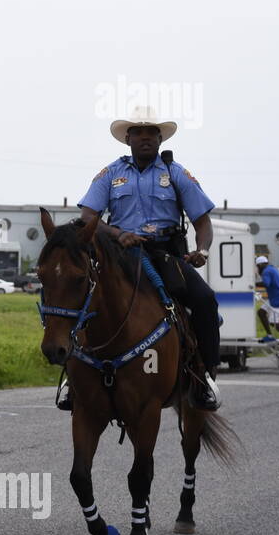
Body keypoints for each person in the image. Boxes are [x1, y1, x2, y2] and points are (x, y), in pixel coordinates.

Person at [76, 106, 223, 410]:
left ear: (159, 139)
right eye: (138, 133)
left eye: (151, 133)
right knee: (80, 299)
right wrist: (118, 235)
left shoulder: (175, 172)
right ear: (127, 138)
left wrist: (202, 250)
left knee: (206, 300)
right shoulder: (110, 173)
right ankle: (71, 377)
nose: (145, 138)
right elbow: (88, 215)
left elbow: (202, 221)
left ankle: (205, 376)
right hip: (119, 255)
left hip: (164, 255)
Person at [255, 255, 279, 341]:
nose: (257, 269)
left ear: (260, 265)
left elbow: (266, 283)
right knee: (261, 312)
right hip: (275, 298)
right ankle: (270, 336)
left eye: (257, 267)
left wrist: (254, 283)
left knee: (274, 322)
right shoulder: (272, 269)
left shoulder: (266, 271)